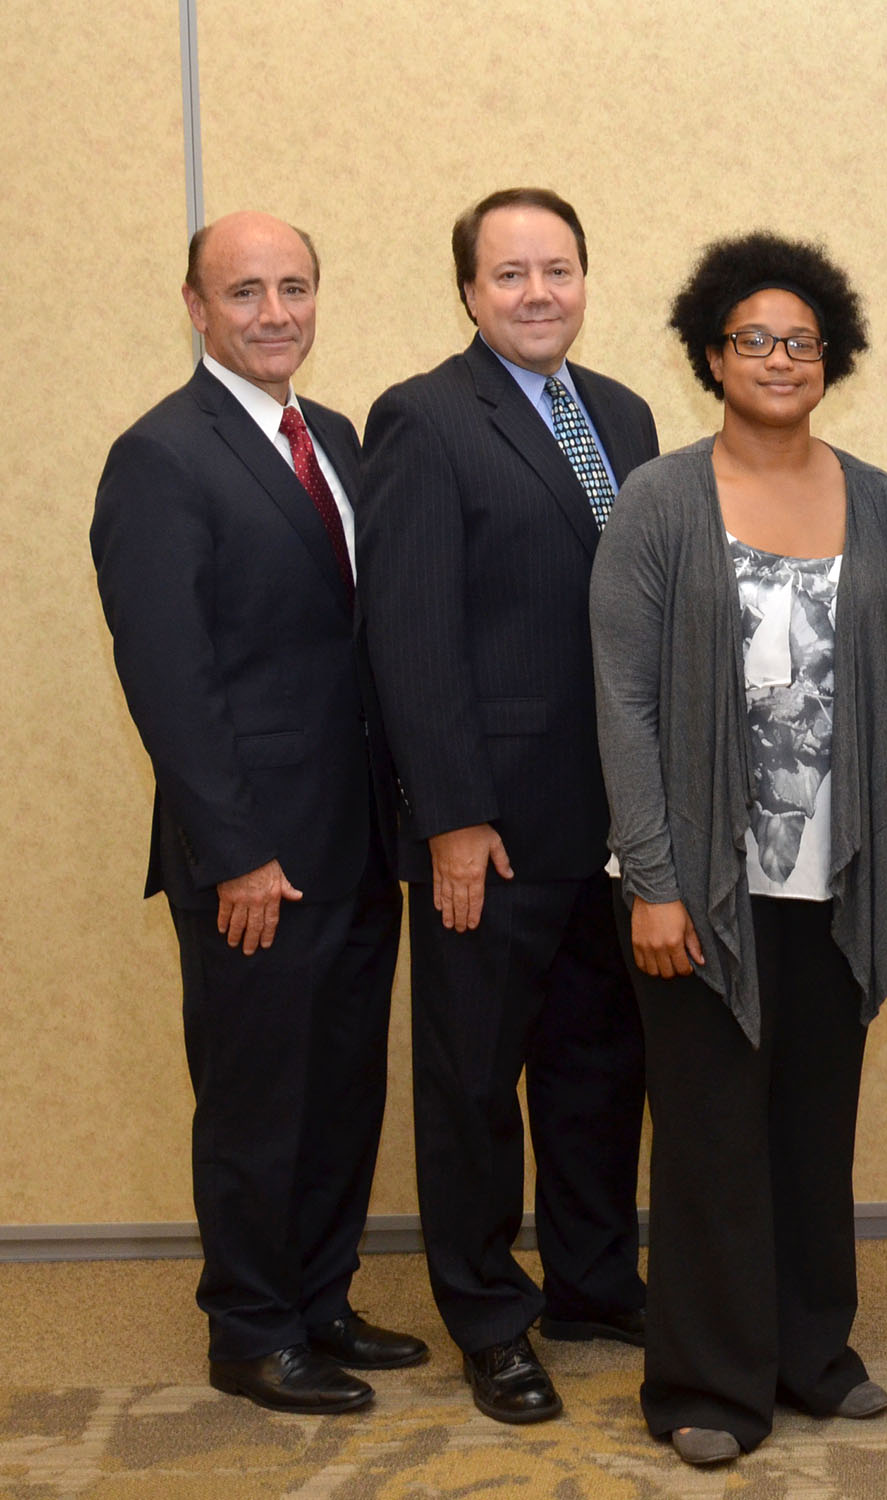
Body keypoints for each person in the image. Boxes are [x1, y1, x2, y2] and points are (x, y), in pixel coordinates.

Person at [589, 231, 887, 1467]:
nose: (781, 359)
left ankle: (812, 1355)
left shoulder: (879, 503)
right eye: (754, 339)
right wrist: (652, 880)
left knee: (812, 1127)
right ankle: (708, 1383)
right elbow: (623, 704)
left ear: (831, 356)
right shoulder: (659, 502)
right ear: (712, 355)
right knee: (709, 1137)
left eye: (802, 341)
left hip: (838, 882)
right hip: (699, 887)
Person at [89, 211, 423, 1413]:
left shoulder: (332, 436)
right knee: (256, 1103)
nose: (274, 313)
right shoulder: (160, 456)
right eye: (244, 292)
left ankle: (320, 1301)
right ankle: (249, 1331)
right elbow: (167, 678)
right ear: (195, 307)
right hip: (254, 861)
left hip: (355, 840)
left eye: (294, 287)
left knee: (338, 1091)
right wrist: (235, 852)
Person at [358, 187, 658, 1424]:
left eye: (559, 269)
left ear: (586, 278)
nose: (539, 293)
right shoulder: (423, 419)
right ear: (469, 292)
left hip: (612, 821)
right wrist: (451, 816)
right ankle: (489, 1316)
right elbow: (410, 633)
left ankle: (593, 1281)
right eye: (511, 273)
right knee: (475, 1081)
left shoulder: (626, 413)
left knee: (600, 1066)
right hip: (489, 827)